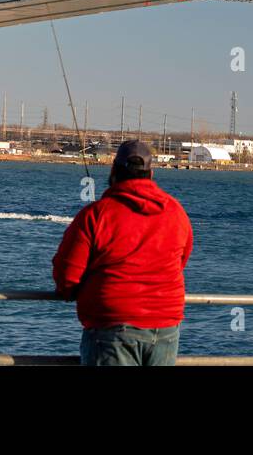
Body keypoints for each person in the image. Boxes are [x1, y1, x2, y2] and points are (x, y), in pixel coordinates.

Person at [52, 140, 193, 366]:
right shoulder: (176, 213)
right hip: (166, 326)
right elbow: (181, 261)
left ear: (113, 170)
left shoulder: (95, 215)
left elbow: (67, 276)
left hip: (110, 328)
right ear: (151, 173)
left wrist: (77, 292)